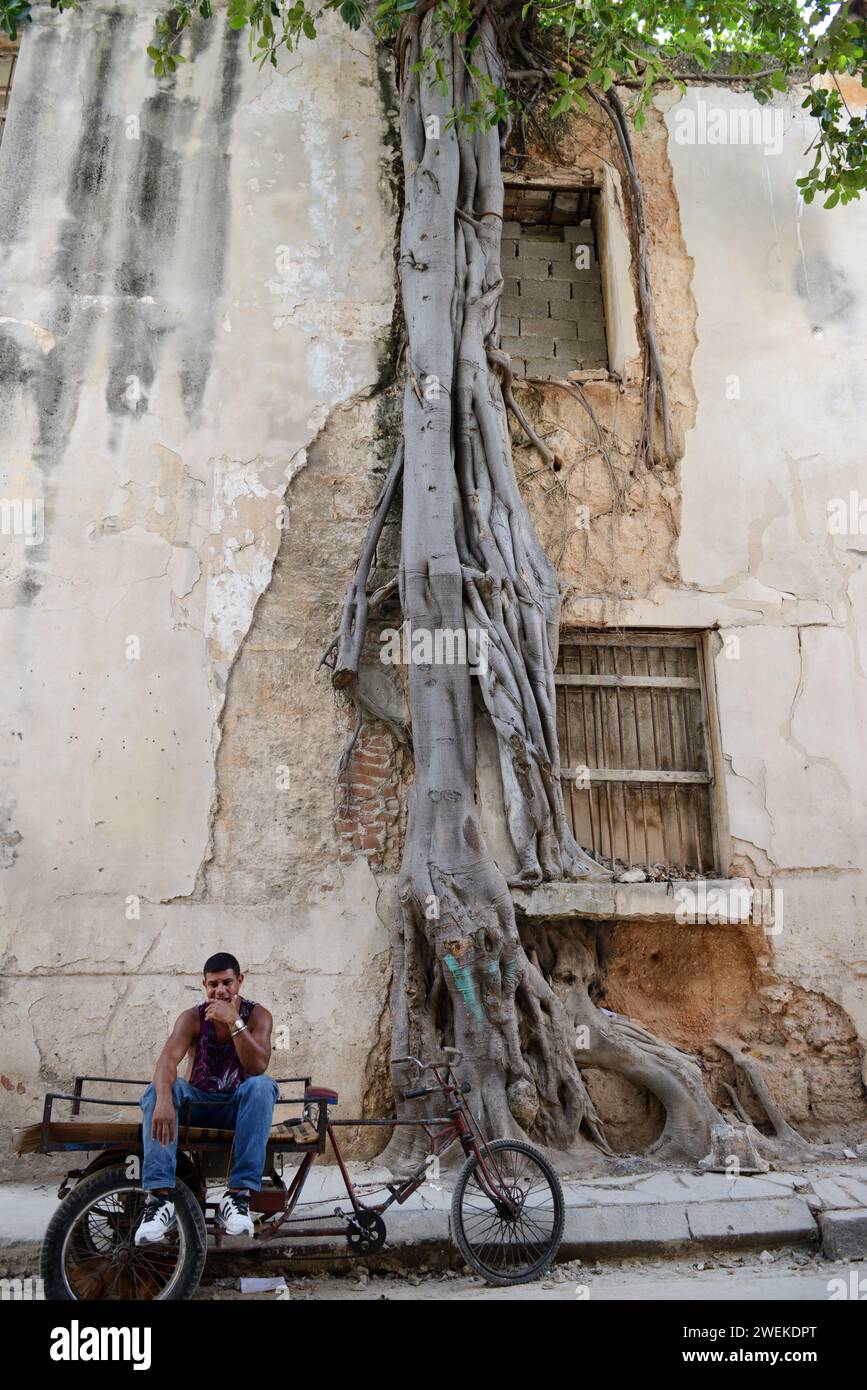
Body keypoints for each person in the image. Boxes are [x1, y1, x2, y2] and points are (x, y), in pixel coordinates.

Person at [135, 952, 276, 1245]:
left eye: (227, 982)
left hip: (236, 1108)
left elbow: (257, 1066)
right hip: (197, 1104)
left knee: (262, 1086)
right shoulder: (192, 1018)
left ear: (240, 981)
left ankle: (237, 1197)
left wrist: (234, 1021)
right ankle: (160, 1201)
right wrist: (163, 1099)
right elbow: (166, 1062)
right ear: (204, 985)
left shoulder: (257, 1015)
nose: (220, 990)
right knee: (160, 1089)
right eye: (213, 984)